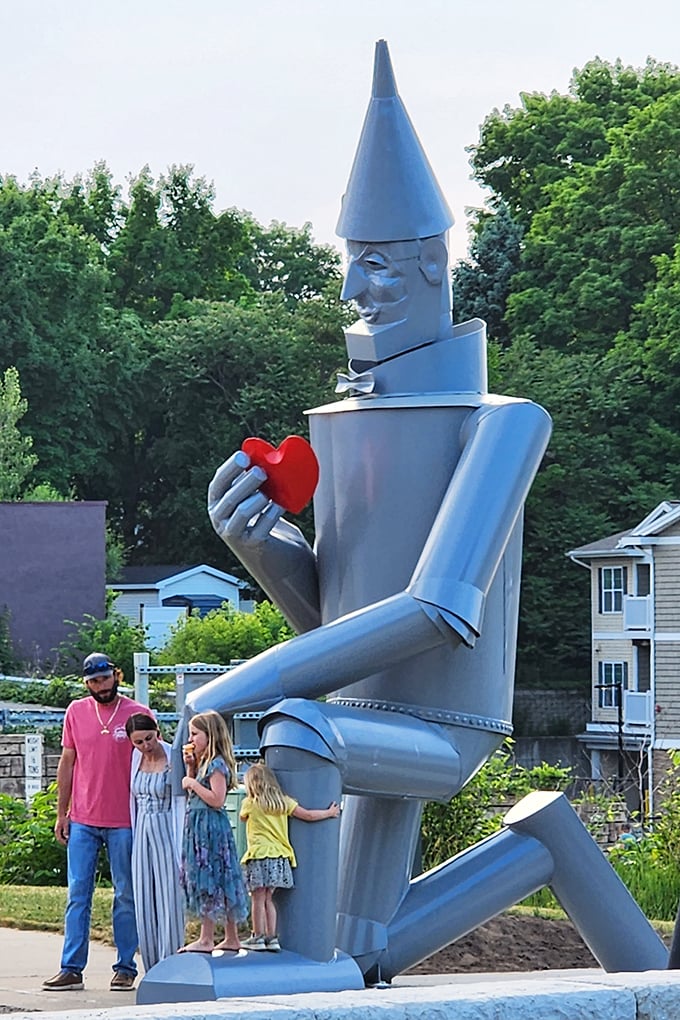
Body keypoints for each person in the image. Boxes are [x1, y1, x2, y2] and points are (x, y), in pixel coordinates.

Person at [43, 653, 153, 992]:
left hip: (125, 819)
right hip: (83, 819)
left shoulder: (138, 713)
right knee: (78, 892)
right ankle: (72, 967)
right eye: (93, 681)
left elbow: (156, 757)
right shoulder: (76, 711)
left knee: (125, 893)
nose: (99, 686)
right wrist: (63, 813)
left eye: (104, 679)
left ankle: (125, 966)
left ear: (116, 676)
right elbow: (67, 762)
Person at [239, 762, 340, 952]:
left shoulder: (249, 804)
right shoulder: (283, 802)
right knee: (269, 899)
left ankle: (257, 937)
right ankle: (272, 937)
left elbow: (242, 817)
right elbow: (308, 815)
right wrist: (329, 813)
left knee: (257, 899)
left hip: (259, 855)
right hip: (280, 857)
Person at [178, 710, 249, 953]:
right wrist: (190, 771)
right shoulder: (202, 764)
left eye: (195, 734)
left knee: (211, 877)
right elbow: (195, 797)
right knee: (213, 877)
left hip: (210, 829)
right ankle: (231, 937)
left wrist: (193, 783)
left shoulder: (216, 765)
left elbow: (216, 799)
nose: (191, 739)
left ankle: (207, 938)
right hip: (199, 825)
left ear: (210, 735)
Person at [126, 713, 185, 971]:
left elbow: (181, 798)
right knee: (143, 895)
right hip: (142, 828)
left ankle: (170, 963)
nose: (145, 746)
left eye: (149, 738)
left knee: (169, 895)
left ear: (157, 732)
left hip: (166, 825)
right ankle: (151, 967)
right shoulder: (136, 758)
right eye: (138, 742)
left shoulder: (174, 756)